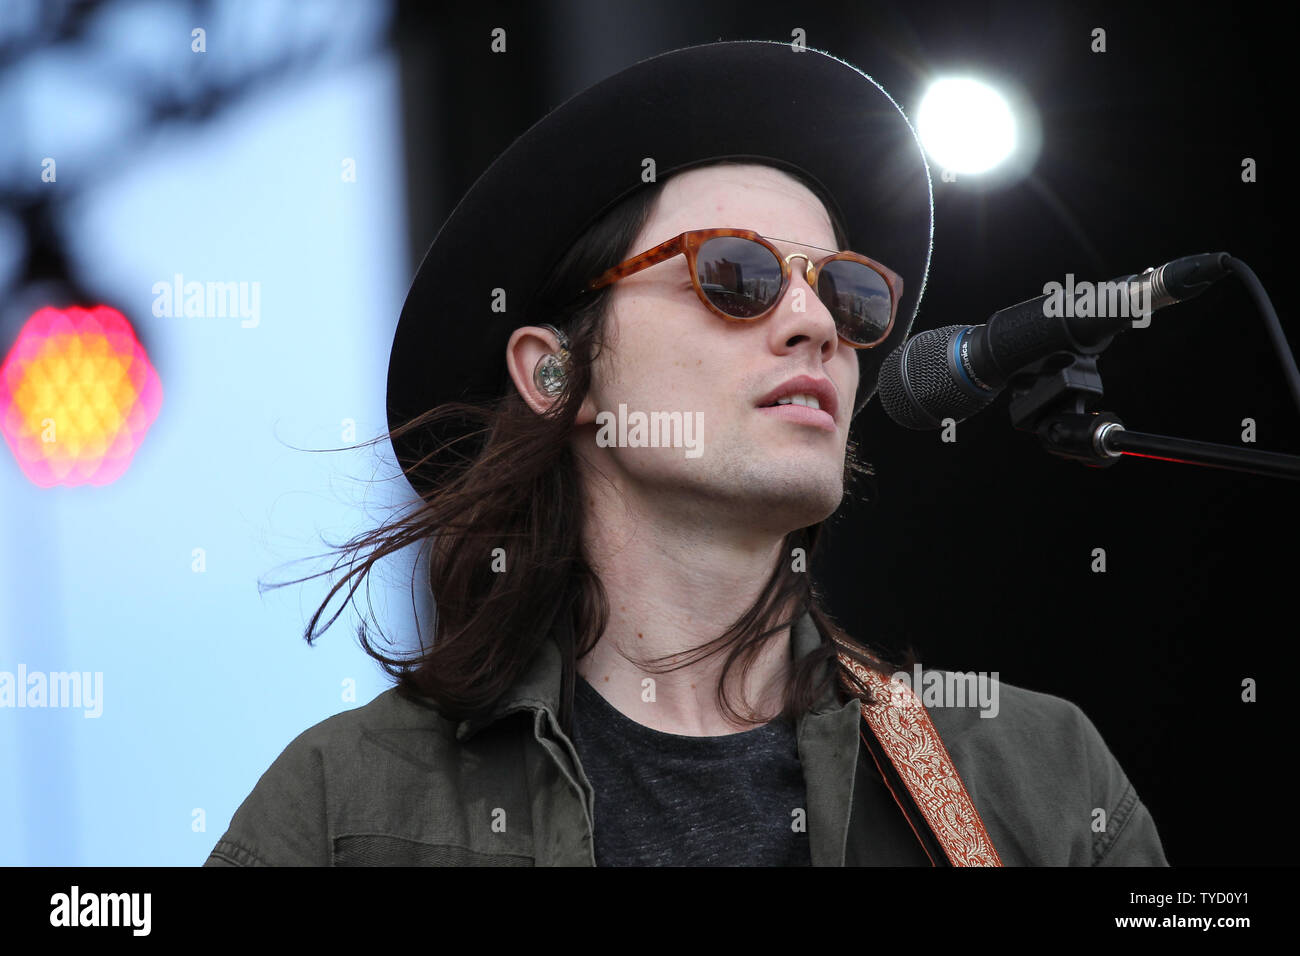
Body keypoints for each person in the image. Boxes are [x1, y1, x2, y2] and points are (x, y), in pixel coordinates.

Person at [203, 40, 1168, 867]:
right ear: (555, 377)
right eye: (734, 274)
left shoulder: (1037, 778)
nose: (813, 323)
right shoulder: (346, 812)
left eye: (845, 292)